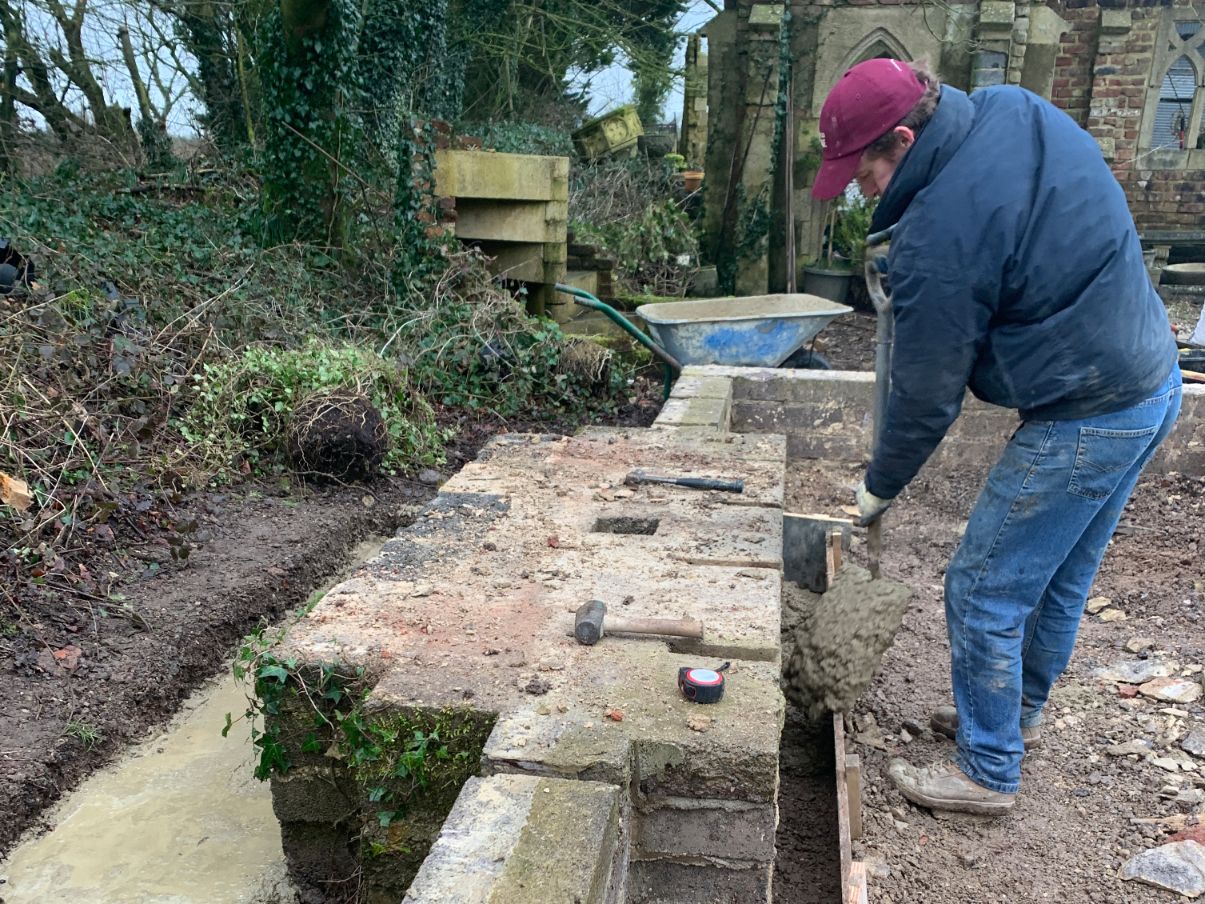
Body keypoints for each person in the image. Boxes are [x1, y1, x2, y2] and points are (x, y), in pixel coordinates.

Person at [812, 58, 1181, 815]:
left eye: (866, 171)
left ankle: (986, 770)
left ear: (906, 137)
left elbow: (923, 397)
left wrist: (878, 484)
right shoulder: (1007, 107)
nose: (861, 190)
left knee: (982, 587)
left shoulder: (942, 234)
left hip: (1088, 407)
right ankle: (1013, 721)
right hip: (1150, 381)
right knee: (1054, 579)